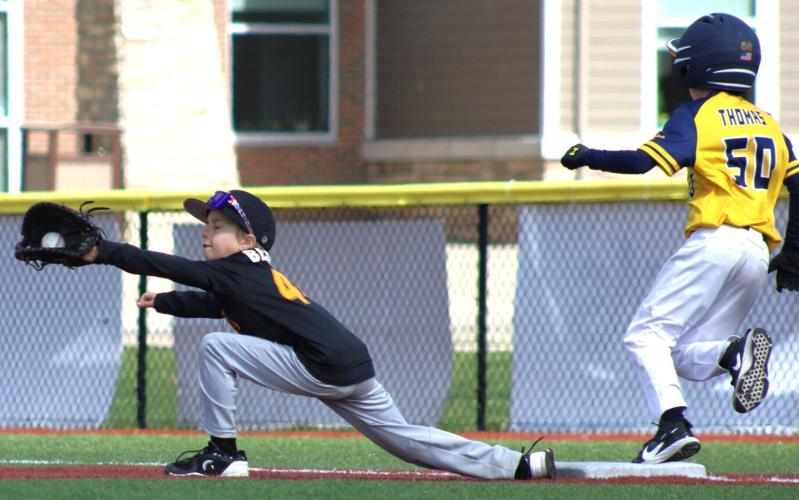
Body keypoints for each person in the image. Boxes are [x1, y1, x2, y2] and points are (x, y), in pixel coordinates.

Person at [82, 189, 555, 480]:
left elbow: (167, 265)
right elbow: (214, 301)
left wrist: (106, 251)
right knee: (406, 442)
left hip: (320, 365)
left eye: (220, 227)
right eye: (207, 225)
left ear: (249, 241)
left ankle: (222, 453)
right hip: (347, 362)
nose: (207, 234)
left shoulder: (236, 269)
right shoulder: (248, 275)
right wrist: (164, 302)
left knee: (216, 347)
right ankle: (514, 465)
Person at [560, 12, 799, 464]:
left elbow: (640, 163)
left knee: (645, 335)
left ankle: (672, 427)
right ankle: (732, 352)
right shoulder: (770, 124)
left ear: (697, 65)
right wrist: (793, 254)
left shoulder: (697, 115)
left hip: (715, 239)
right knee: (687, 356)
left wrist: (587, 155)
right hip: (755, 252)